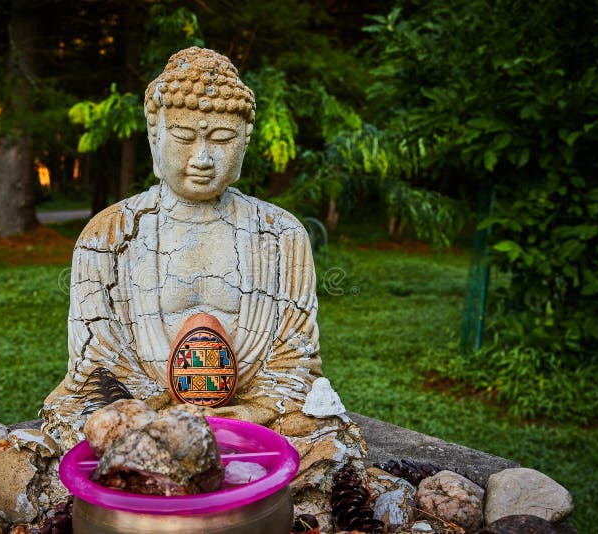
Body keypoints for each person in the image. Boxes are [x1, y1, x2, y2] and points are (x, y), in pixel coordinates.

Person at [42, 47, 365, 521]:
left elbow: (298, 356)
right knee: (78, 422)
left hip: (255, 407)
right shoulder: (106, 235)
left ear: (245, 141)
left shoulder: (282, 234)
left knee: (328, 433)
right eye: (184, 137)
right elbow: (95, 364)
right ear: (154, 137)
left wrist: (251, 414)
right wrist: (166, 419)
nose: (203, 157)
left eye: (221, 138)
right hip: (141, 410)